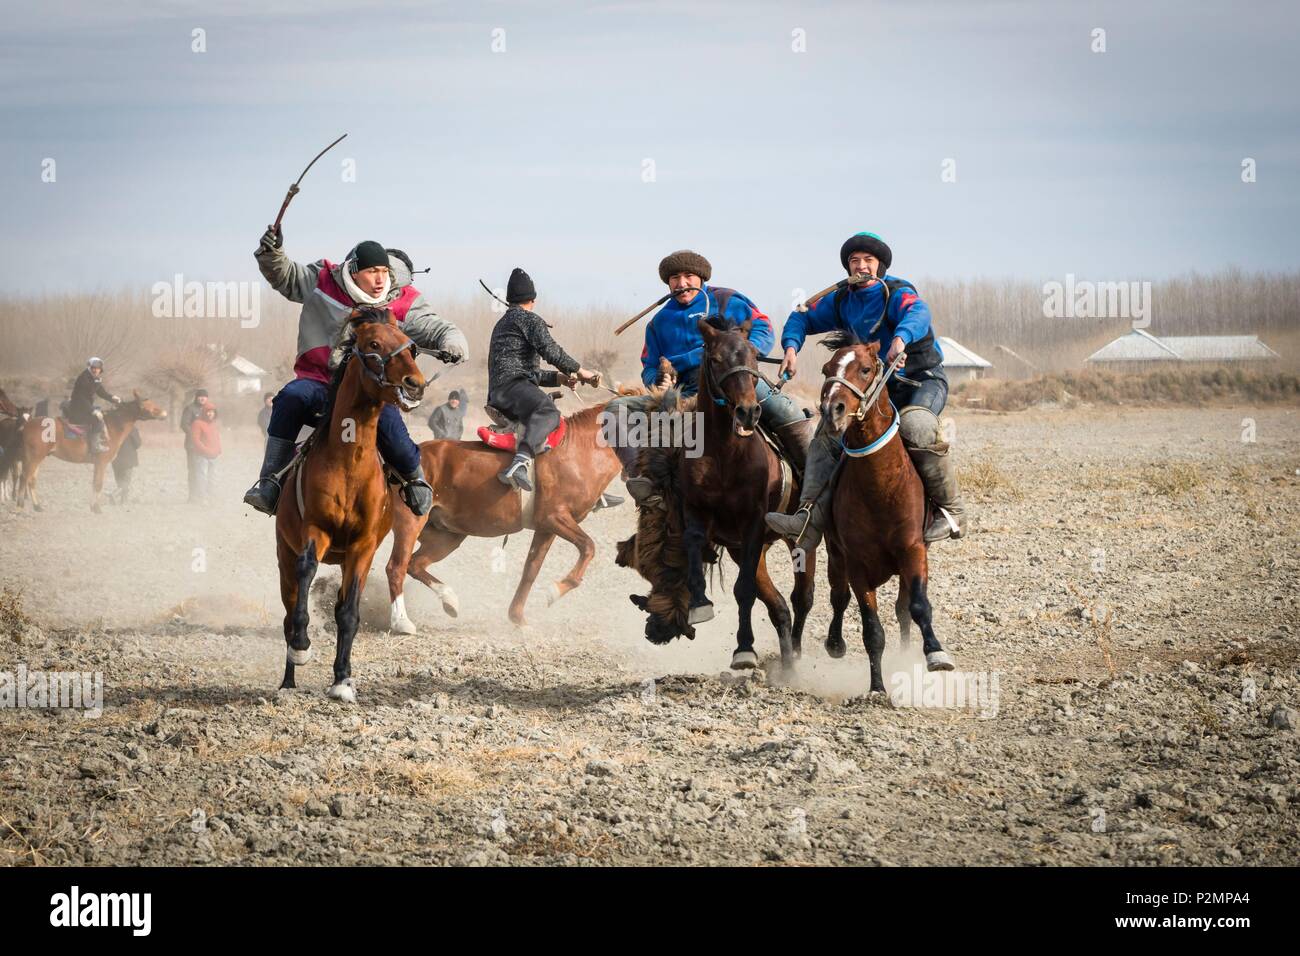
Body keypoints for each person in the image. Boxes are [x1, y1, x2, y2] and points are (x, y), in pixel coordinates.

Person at [244, 228, 468, 515]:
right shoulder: (323, 280)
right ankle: (269, 482)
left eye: (384, 272)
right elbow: (285, 276)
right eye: (372, 271)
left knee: (395, 434)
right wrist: (271, 253)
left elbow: (437, 327)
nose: (380, 279)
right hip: (318, 383)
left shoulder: (402, 300)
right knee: (289, 398)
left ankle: (416, 481)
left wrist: (452, 343)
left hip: (370, 393)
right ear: (354, 270)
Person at [765, 231, 967, 548]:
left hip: (919, 380)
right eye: (854, 261)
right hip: (873, 389)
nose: (861, 266)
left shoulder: (898, 292)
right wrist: (791, 347)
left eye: (868, 261)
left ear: (880, 267)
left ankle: (952, 512)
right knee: (827, 436)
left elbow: (919, 313)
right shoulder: (842, 298)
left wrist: (901, 339)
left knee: (917, 426)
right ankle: (806, 518)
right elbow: (800, 317)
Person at [618, 250, 810, 505]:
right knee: (615, 413)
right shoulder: (659, 322)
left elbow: (763, 327)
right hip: (685, 391)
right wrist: (658, 381)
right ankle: (649, 485)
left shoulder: (726, 299)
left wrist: (742, 355)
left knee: (786, 410)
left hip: (736, 379)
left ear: (701, 278)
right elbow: (649, 366)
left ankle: (812, 482)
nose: (682, 283)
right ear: (668, 283)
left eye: (689, 276)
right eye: (675, 278)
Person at [486, 268, 601, 491]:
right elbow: (551, 351)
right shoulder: (529, 320)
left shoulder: (503, 323)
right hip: (513, 388)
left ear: (510, 300)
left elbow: (527, 373)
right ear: (533, 300)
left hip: (503, 391)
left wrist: (560, 378)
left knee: (545, 425)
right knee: (548, 413)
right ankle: (520, 462)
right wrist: (581, 371)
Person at [67, 357, 120, 454]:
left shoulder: (95, 378)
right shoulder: (83, 378)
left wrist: (112, 398)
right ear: (89, 367)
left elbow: (101, 392)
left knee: (101, 416)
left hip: (85, 407)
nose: (96, 370)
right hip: (77, 409)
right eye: (93, 368)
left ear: (101, 369)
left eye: (98, 368)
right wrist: (92, 410)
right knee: (98, 421)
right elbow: (81, 398)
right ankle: (95, 446)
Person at [181, 389, 211, 501]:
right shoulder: (190, 409)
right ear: (196, 397)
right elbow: (184, 424)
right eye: (200, 396)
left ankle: (205, 495)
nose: (202, 398)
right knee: (194, 470)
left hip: (207, 446)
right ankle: (193, 496)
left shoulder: (208, 409)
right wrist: (196, 435)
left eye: (205, 396)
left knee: (206, 471)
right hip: (193, 446)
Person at [189, 403, 221, 503]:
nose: (210, 414)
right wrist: (207, 451)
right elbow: (196, 440)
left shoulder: (214, 424)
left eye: (212, 412)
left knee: (213, 477)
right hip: (202, 456)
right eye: (208, 412)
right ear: (204, 413)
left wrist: (219, 449)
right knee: (202, 476)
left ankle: (212, 497)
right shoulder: (197, 423)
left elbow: (217, 438)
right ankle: (202, 498)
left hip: (214, 456)